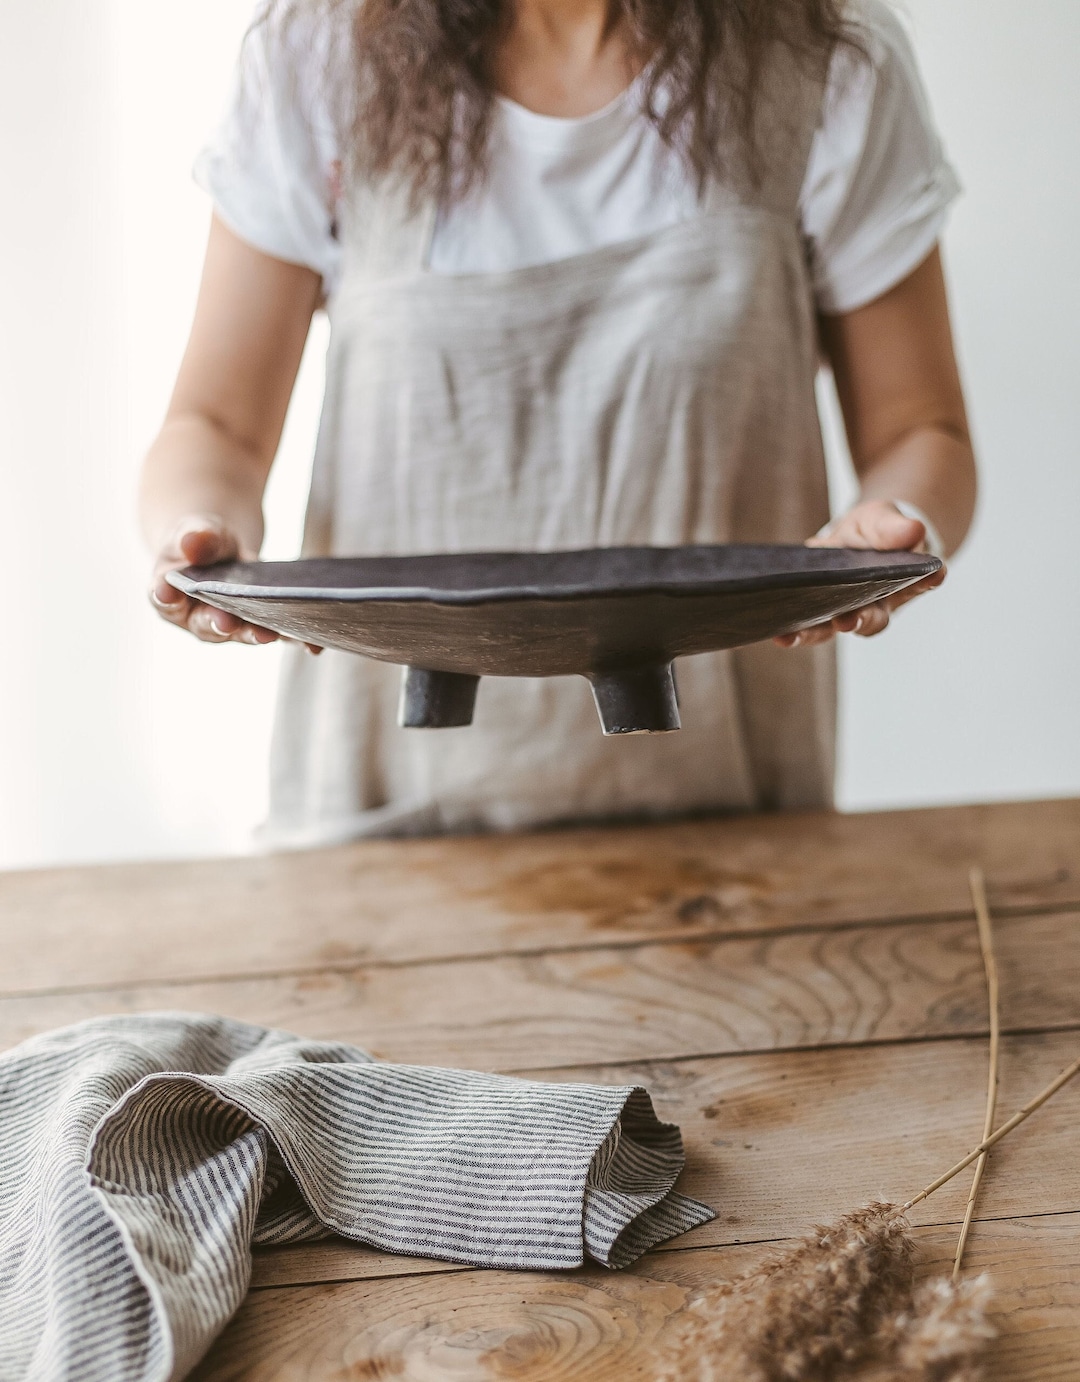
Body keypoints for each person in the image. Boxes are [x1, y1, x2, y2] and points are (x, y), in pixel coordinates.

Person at [141, 0, 976, 846]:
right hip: (371, 829)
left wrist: (893, 525)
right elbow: (218, 426)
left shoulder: (829, 61)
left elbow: (921, 430)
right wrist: (197, 535)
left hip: (732, 830)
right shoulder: (316, 57)